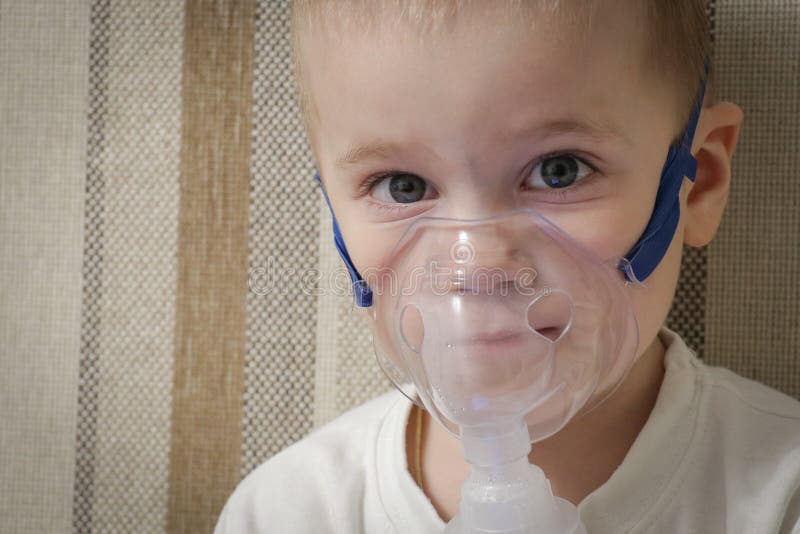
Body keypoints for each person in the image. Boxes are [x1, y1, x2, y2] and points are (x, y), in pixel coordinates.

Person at [216, 1, 800, 532]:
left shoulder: (780, 496)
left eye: (560, 170)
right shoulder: (288, 513)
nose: (476, 266)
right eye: (402, 185)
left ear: (696, 185)